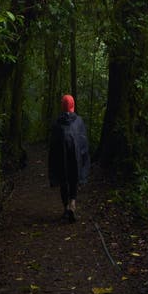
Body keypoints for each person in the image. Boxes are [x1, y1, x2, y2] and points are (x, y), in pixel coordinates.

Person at [48, 94, 90, 222]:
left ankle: (66, 208)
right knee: (74, 177)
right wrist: (83, 158)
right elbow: (83, 142)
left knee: (63, 179)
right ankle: (72, 203)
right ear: (73, 106)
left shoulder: (57, 123)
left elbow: (53, 144)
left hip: (61, 156)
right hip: (76, 155)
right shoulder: (79, 121)